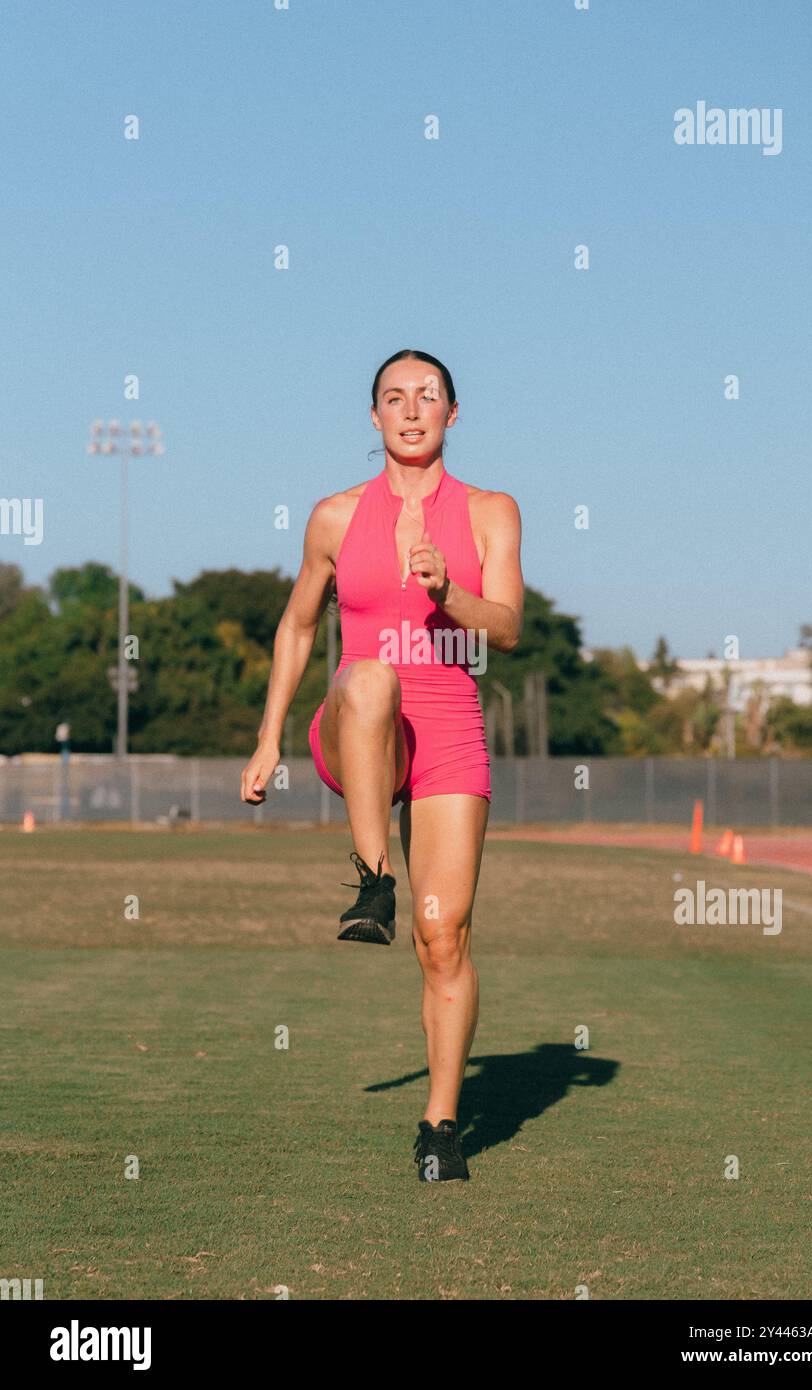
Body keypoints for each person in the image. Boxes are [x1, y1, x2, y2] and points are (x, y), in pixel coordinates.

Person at [241, 349, 523, 1181]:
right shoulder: (334, 516)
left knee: (444, 936)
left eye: (427, 397)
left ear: (453, 412)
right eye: (393, 399)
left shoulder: (489, 511)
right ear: (373, 417)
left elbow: (504, 628)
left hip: (447, 732)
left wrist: (448, 596)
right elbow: (298, 626)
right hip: (361, 726)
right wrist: (268, 737)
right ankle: (371, 877)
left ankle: (439, 1125)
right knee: (369, 675)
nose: (410, 410)